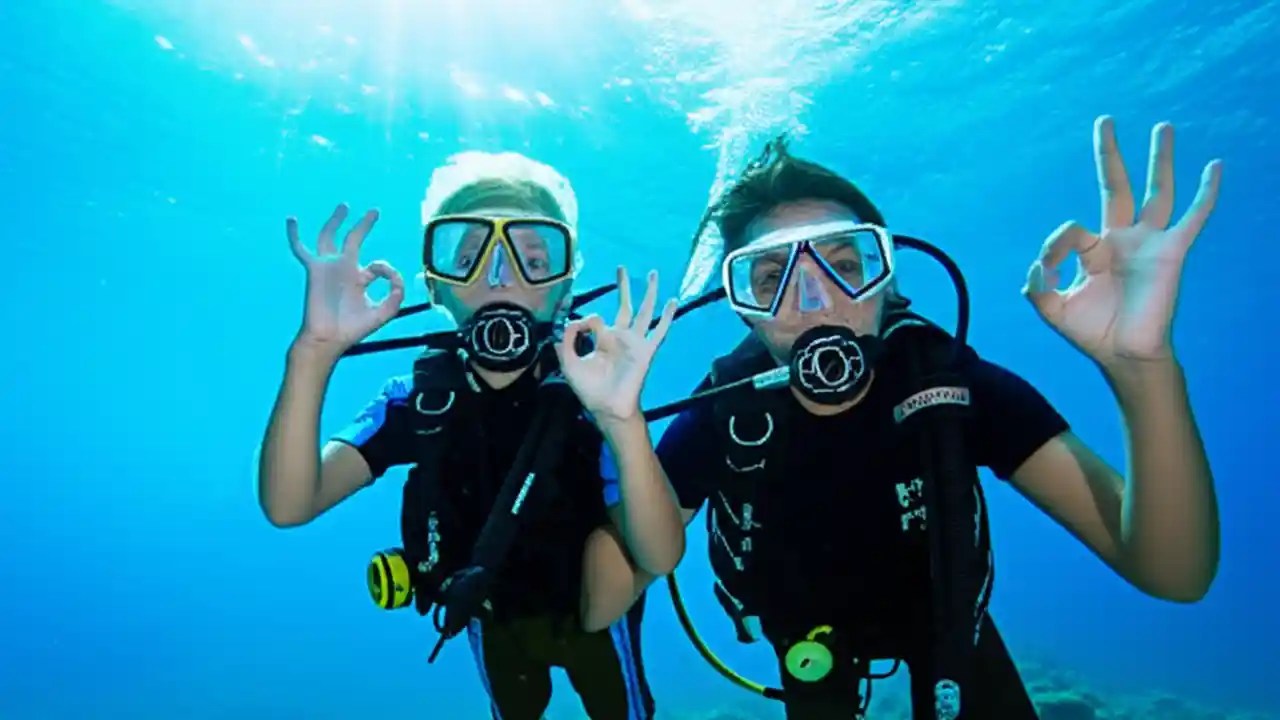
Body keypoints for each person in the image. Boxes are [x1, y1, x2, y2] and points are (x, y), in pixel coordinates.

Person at [582, 116, 1223, 719]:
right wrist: (620, 426)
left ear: (885, 279)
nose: (815, 301)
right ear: (743, 306)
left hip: (948, 630)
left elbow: (1173, 572)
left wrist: (1143, 369)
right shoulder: (728, 413)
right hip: (807, 645)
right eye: (771, 277)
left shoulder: (946, 383)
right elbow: (601, 605)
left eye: (846, 264)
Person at [256, 150, 681, 720]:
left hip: (592, 613)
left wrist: (622, 422)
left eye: (534, 258)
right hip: (489, 611)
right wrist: (312, 354)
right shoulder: (416, 400)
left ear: (563, 287)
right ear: (437, 286)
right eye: (468, 256)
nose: (500, 276)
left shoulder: (596, 395)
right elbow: (289, 505)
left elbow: (661, 554)